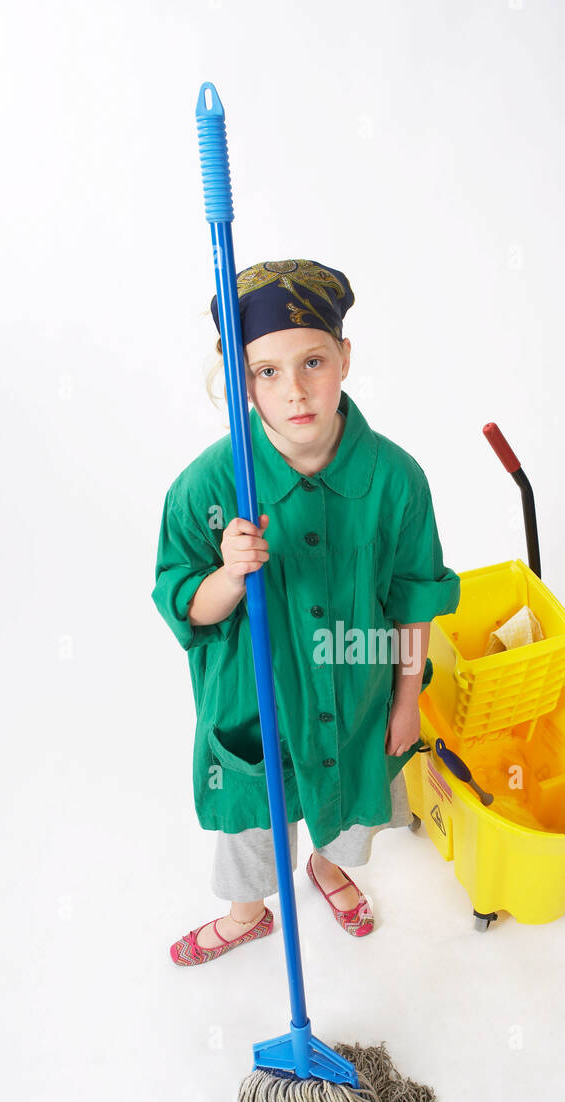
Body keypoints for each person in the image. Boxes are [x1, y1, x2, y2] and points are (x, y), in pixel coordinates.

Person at [153, 258, 460, 965]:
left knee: (346, 800)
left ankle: (326, 868)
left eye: (312, 361)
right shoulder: (209, 483)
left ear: (344, 359)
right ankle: (247, 913)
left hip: (357, 694)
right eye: (266, 372)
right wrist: (229, 575)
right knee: (255, 822)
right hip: (252, 705)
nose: (293, 390)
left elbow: (413, 600)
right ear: (241, 381)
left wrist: (407, 697)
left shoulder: (396, 479)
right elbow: (183, 604)